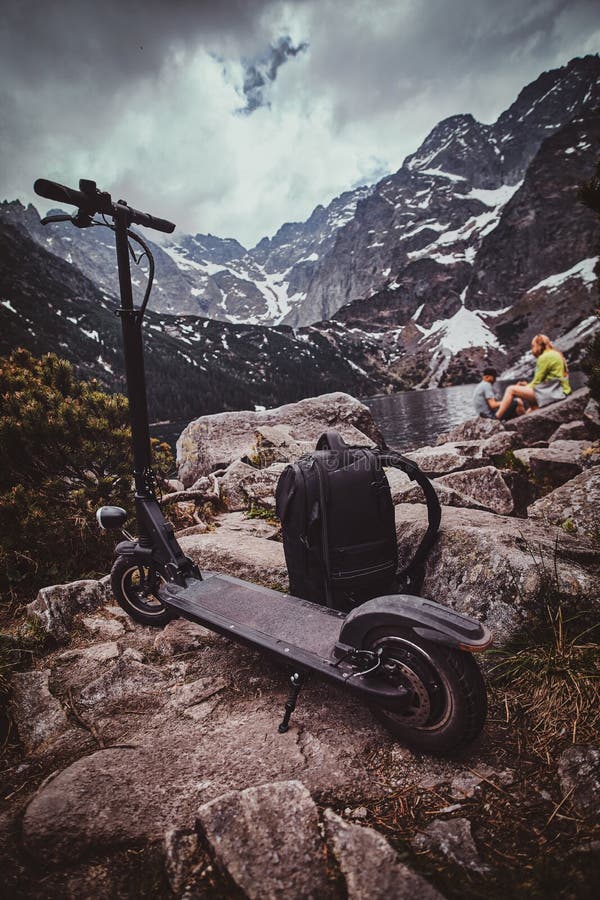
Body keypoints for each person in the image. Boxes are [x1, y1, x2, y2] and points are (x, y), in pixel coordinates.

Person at [495, 334, 571, 420]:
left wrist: (524, 387)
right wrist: (527, 386)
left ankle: (495, 418)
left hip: (552, 393)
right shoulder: (556, 354)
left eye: (533, 346)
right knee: (531, 410)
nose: (532, 349)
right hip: (559, 390)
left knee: (511, 389)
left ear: (539, 345)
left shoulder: (544, 357)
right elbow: (549, 378)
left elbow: (537, 381)